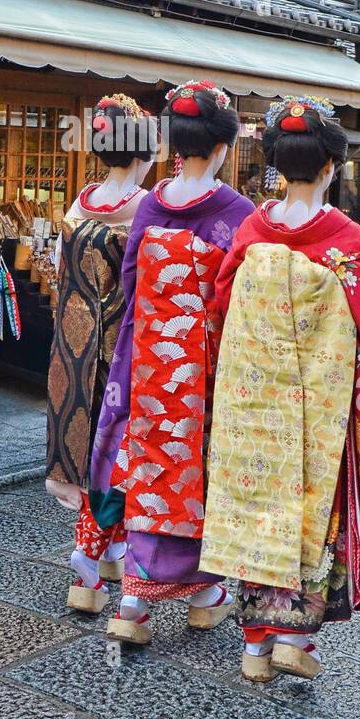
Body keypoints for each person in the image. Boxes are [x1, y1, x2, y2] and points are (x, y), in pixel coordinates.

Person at [200, 96, 360, 683]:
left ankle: (256, 645)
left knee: (255, 504)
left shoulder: (253, 228)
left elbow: (220, 302)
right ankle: (295, 637)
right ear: (333, 167)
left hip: (254, 407)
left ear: (279, 168)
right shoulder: (346, 236)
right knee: (313, 506)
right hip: (317, 407)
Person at [89, 80, 254, 646]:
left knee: (147, 468)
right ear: (224, 147)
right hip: (205, 368)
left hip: (146, 362)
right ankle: (204, 592)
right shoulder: (237, 212)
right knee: (199, 474)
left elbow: (130, 281)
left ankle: (133, 605)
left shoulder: (152, 203)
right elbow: (241, 301)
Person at [45, 94, 157, 614]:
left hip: (71, 339)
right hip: (116, 344)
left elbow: (59, 274)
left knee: (84, 442)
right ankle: (88, 559)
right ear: (140, 156)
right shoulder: (141, 209)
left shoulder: (79, 200)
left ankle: (103, 551)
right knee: (118, 449)